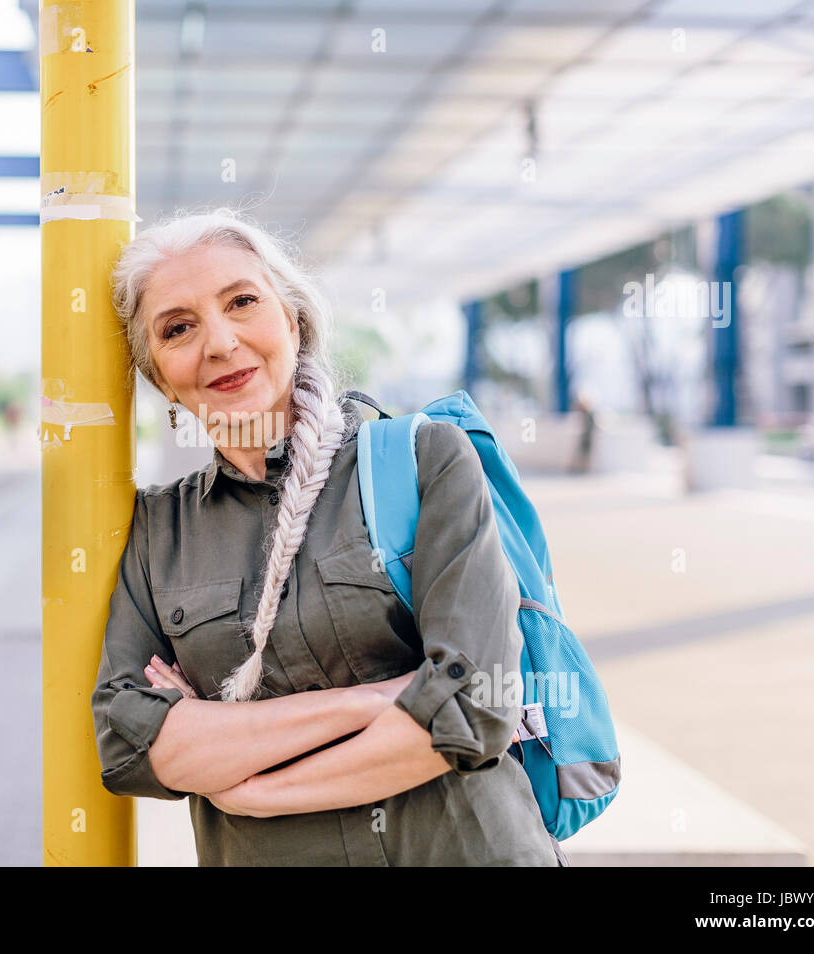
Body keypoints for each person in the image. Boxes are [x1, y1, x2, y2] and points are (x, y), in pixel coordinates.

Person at [91, 207, 563, 866]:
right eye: (178, 328)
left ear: (293, 320)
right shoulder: (157, 534)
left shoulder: (426, 461)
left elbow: (473, 707)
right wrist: (378, 698)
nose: (221, 343)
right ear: (159, 377)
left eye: (242, 302)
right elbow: (129, 743)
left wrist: (253, 789)